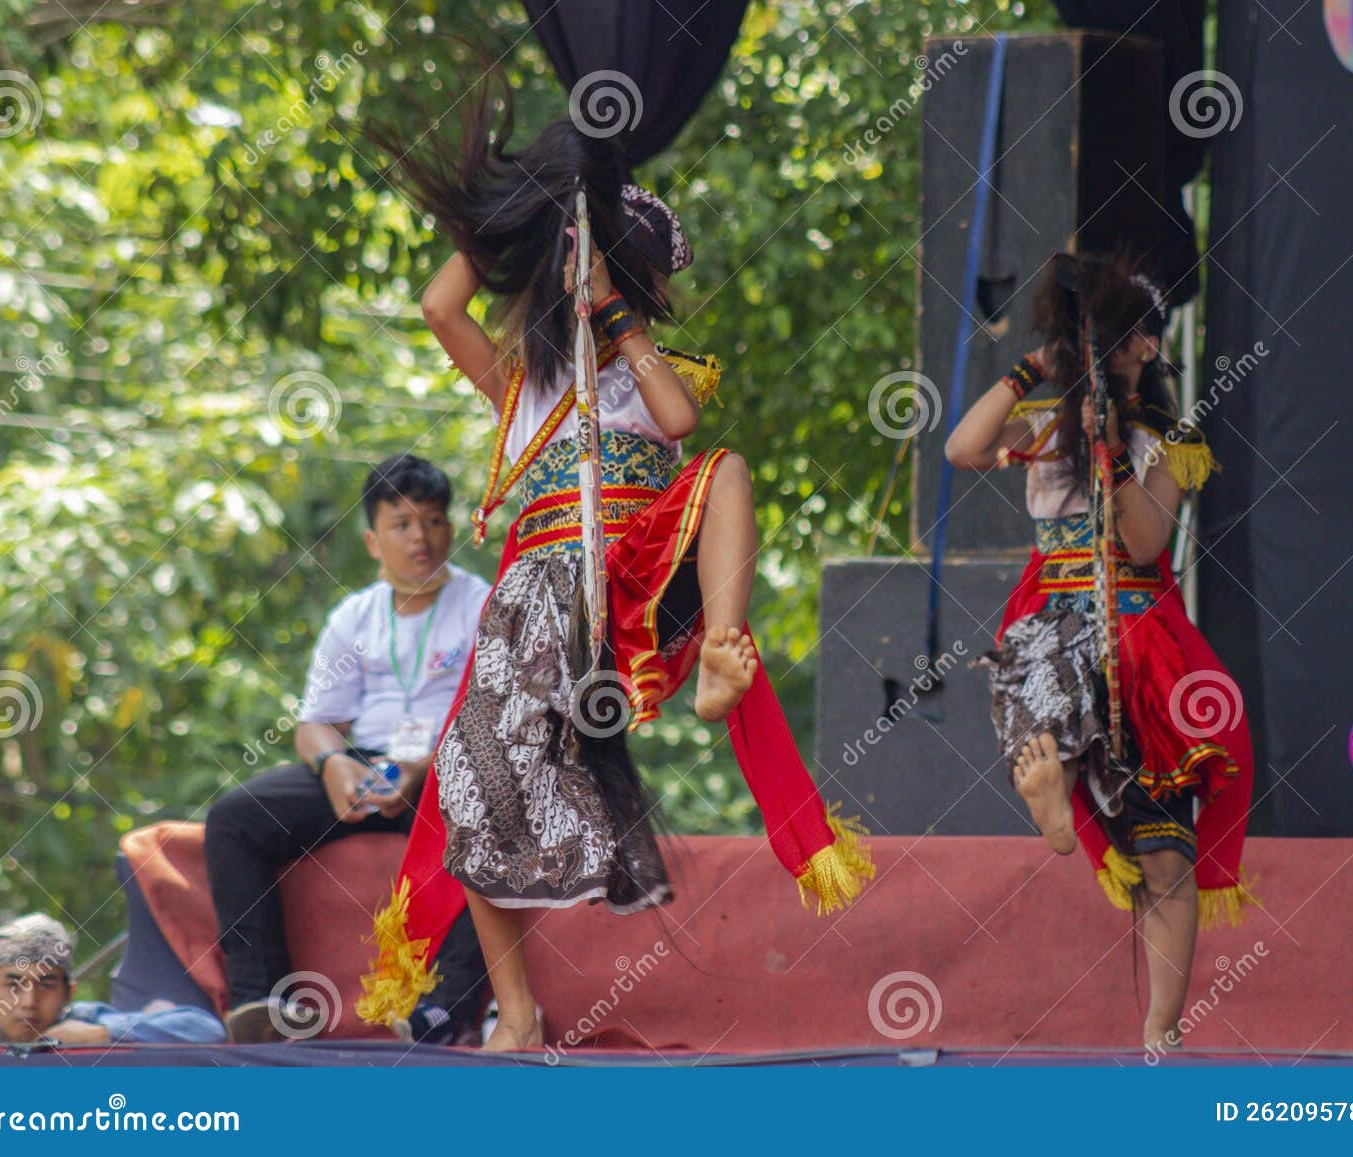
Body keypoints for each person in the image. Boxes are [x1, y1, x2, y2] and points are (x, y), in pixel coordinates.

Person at [355, 69, 873, 1052]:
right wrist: (533, 214)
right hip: (538, 593)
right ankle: (514, 1013)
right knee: (475, 794)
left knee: (723, 469)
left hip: (636, 569)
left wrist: (611, 313)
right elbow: (437, 305)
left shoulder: (645, 361)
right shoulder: (522, 383)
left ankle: (725, 647)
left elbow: (677, 420)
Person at [945, 252, 1256, 1051]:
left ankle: (1163, 1023)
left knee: (1162, 850)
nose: (1103, 355)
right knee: (1034, 680)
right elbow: (962, 448)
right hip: (1058, 619)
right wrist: (1032, 370)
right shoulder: (1046, 426)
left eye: (1116, 342)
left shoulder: (1169, 440)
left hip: (1139, 641)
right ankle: (1054, 788)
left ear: (1145, 348)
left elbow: (1149, 538)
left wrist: (1110, 451)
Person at [204, 454, 492, 1044]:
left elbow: (498, 717)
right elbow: (316, 723)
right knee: (235, 817)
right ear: (372, 539)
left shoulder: (481, 604)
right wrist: (332, 764)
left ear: (450, 529)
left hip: (454, 767)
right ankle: (262, 1001)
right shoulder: (353, 615)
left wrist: (424, 766)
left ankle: (446, 1008)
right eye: (402, 524)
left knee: (494, 810)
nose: (421, 537)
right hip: (367, 766)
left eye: (434, 521)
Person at [0, 913, 225, 1046]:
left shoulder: (85, 1024)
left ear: (69, 993)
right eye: (14, 984)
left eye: (47, 985)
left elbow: (205, 1029)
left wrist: (102, 1034)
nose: (29, 1002)